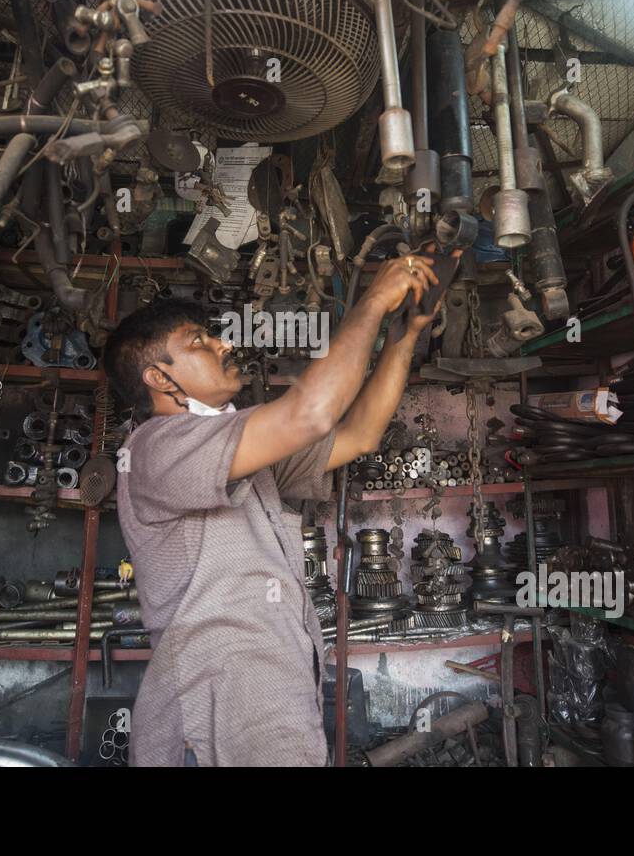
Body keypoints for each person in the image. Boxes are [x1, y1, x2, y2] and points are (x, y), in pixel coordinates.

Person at [103, 253, 443, 766]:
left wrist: (403, 333)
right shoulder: (157, 447)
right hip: (220, 706)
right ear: (158, 378)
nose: (225, 344)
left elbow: (357, 434)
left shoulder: (237, 455)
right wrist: (372, 300)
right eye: (198, 341)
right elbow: (311, 413)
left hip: (268, 696)